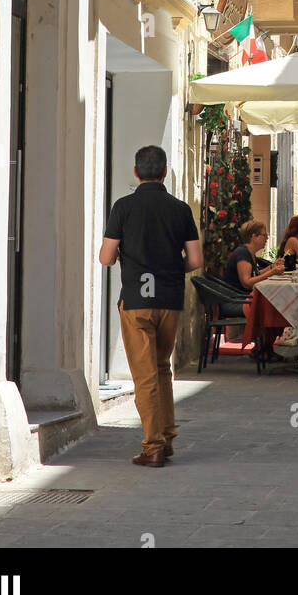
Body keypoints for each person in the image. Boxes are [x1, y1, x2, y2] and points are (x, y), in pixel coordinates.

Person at [99, 145, 203, 468]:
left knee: (144, 376)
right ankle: (167, 435)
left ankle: (153, 446)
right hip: (170, 301)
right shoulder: (181, 209)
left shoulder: (123, 207)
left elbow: (106, 257)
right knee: (161, 368)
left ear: (135, 172)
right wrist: (172, 269)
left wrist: (121, 257)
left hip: (136, 302)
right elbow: (196, 260)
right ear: (165, 172)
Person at [221, 220, 285, 313]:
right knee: (276, 305)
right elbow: (247, 283)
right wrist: (272, 272)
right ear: (253, 236)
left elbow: (255, 274)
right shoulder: (242, 253)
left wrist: (272, 267)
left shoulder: (249, 253)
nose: (267, 239)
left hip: (244, 297)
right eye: (264, 235)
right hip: (238, 300)